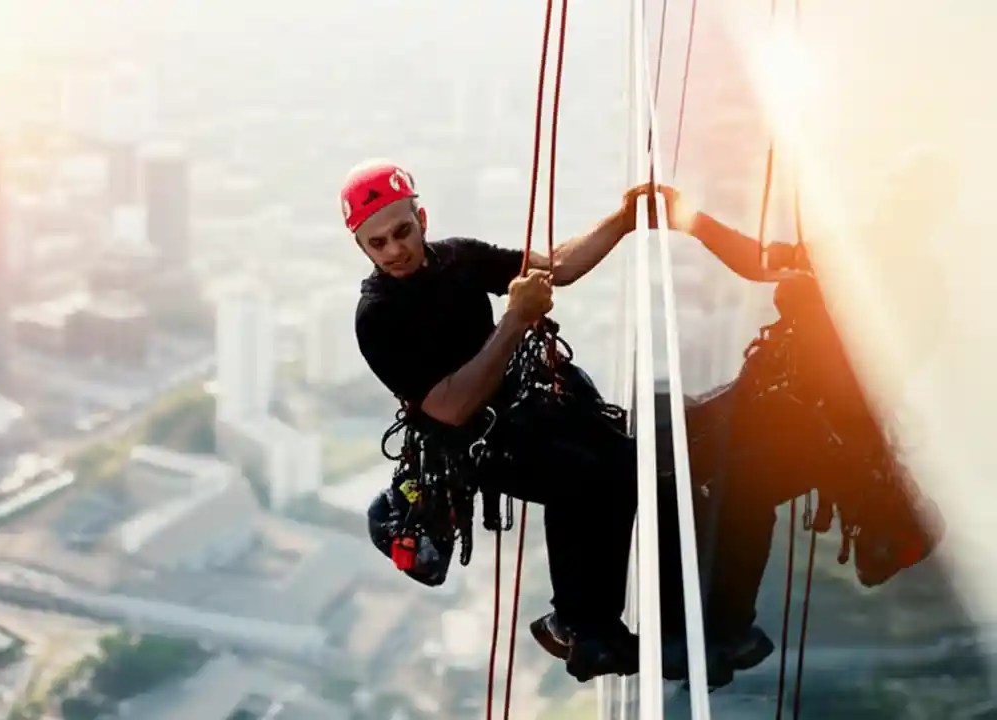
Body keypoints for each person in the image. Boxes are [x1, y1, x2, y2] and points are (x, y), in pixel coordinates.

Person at [342, 159, 654, 681]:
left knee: (623, 462)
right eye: (378, 243)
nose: (395, 249)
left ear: (422, 218)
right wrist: (516, 318)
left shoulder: (459, 258)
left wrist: (624, 220)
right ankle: (584, 628)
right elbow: (451, 405)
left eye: (403, 231)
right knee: (582, 478)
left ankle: (581, 624)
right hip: (473, 444)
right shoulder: (377, 316)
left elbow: (555, 268)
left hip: (520, 408)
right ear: (363, 248)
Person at [657, 185, 947, 686]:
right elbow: (760, 261)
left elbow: (872, 362)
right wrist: (690, 219)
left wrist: (813, 305)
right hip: (787, 404)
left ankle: (717, 629)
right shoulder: (848, 250)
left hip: (820, 421)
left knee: (734, 485)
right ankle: (715, 630)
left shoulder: (914, 286)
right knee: (694, 461)